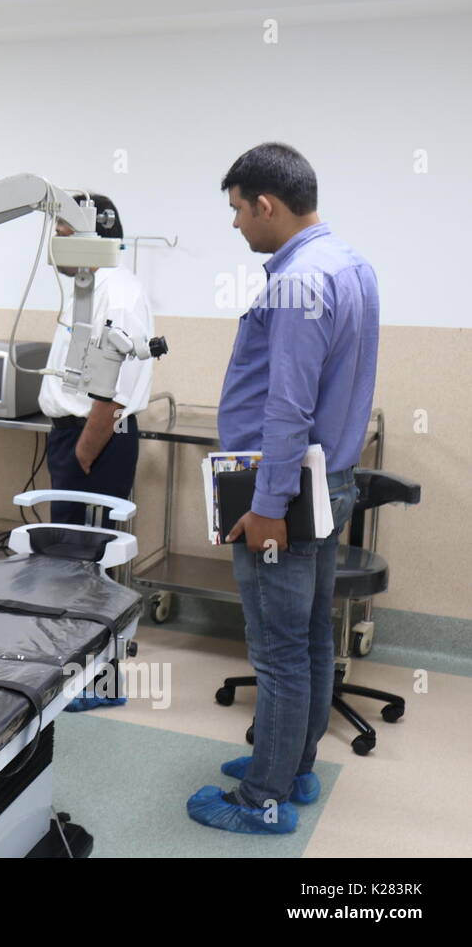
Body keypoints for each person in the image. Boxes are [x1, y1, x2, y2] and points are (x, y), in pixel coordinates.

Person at [188, 143, 378, 835]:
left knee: (276, 649)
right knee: (308, 640)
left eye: (237, 209)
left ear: (265, 203)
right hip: (329, 481)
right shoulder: (352, 265)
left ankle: (261, 799)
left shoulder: (298, 281)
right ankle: (293, 766)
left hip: (286, 490)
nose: (236, 223)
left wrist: (267, 507)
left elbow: (288, 406)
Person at [39, 192, 155, 525]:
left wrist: (83, 453)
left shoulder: (117, 294)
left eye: (60, 235)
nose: (53, 246)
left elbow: (115, 391)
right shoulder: (87, 288)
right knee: (64, 551)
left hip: (96, 438)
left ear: (91, 236)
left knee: (85, 554)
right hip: (72, 436)